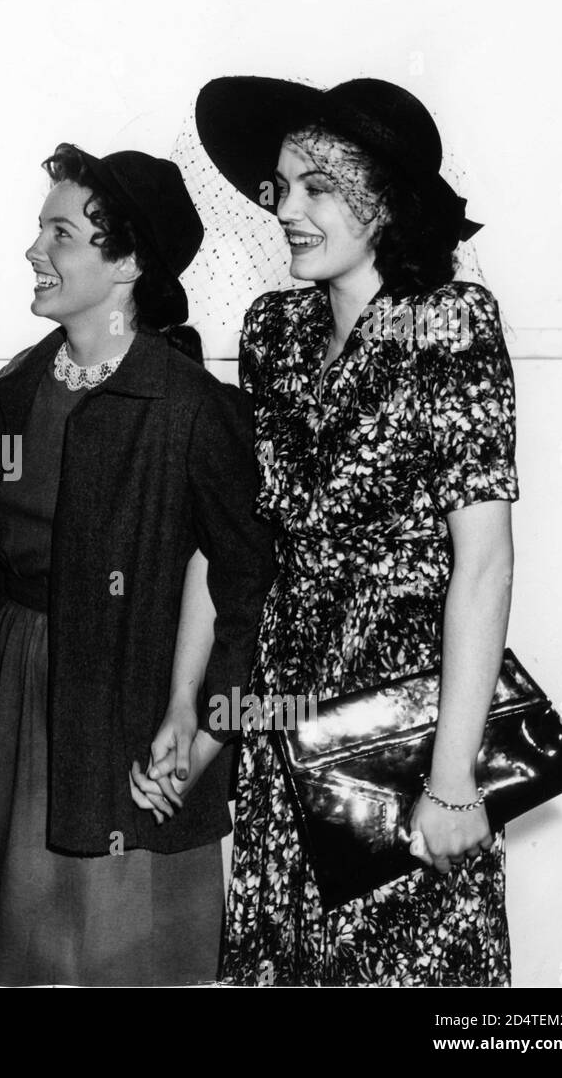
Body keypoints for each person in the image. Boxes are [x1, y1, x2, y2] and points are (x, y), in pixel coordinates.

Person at [0, 144, 273, 986]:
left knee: (121, 952)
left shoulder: (191, 407)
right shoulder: (19, 387)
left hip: (128, 711)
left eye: (62, 235)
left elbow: (245, 581)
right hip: (22, 692)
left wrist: (206, 733)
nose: (35, 252)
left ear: (128, 263)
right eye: (41, 230)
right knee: (19, 952)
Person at [195, 76, 518, 985]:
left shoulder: (451, 323)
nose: (286, 209)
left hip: (405, 718)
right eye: (282, 187)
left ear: (386, 202)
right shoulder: (274, 331)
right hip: (287, 700)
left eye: (317, 189)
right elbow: (242, 544)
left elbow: (484, 564)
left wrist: (455, 778)